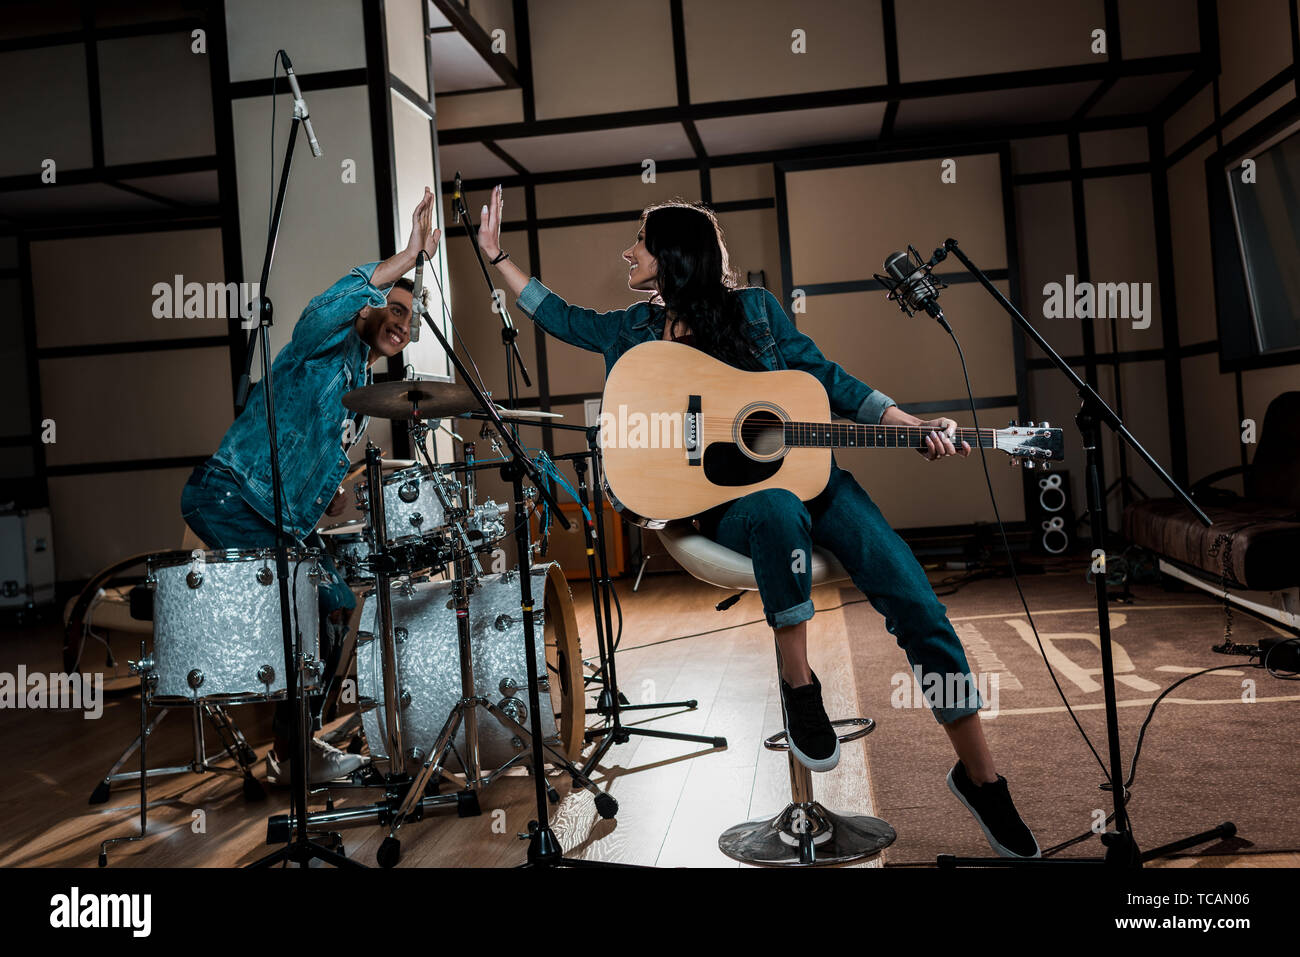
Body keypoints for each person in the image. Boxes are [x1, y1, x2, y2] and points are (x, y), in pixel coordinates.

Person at [474, 187, 1039, 858]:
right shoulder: (632, 330)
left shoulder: (757, 312)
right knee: (773, 508)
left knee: (917, 601)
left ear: (675, 257)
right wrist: (498, 256)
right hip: (725, 502)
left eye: (640, 242)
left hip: (815, 480)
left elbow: (829, 380)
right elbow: (558, 315)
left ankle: (983, 778)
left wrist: (910, 425)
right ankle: (801, 688)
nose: (627, 252)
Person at [180, 188, 442, 785]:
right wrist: (407, 257)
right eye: (394, 310)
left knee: (335, 604)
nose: (402, 324)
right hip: (229, 495)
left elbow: (304, 453)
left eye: (411, 317)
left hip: (276, 515)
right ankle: (296, 756)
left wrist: (331, 495)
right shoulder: (327, 345)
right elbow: (319, 312)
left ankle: (293, 750)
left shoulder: (356, 383)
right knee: (308, 607)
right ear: (368, 311)